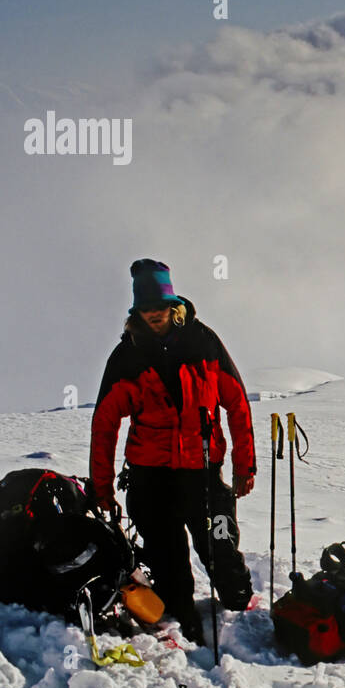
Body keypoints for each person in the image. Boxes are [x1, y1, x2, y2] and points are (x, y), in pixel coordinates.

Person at [90, 259, 256, 644]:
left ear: (172, 304)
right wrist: (102, 487)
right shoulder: (126, 355)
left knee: (222, 552)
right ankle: (186, 625)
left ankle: (243, 615)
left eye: (159, 308)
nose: (153, 315)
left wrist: (243, 466)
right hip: (151, 480)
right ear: (136, 310)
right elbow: (104, 425)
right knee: (169, 566)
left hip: (203, 476)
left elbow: (237, 404)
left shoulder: (203, 341)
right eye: (145, 309)